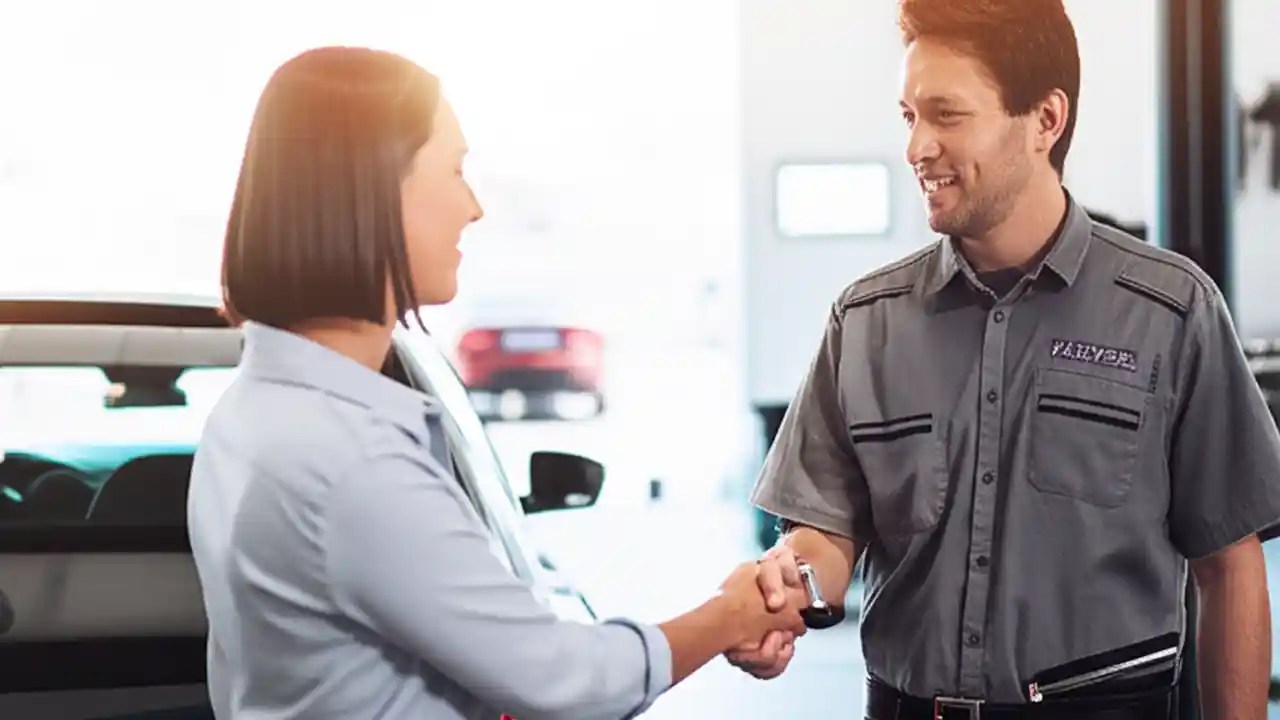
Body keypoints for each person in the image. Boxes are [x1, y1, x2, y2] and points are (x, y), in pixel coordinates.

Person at [185, 46, 808, 720]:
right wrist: (734, 612)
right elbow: (566, 680)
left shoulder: (249, 415)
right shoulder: (350, 459)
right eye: (453, 170)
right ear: (372, 190)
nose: (473, 207)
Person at [727, 1, 1280, 718]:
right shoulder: (866, 321)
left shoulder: (1171, 313)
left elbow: (1228, 569)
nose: (916, 147)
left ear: (1046, 120)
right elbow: (828, 533)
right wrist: (790, 588)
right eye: (907, 117)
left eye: (946, 115)